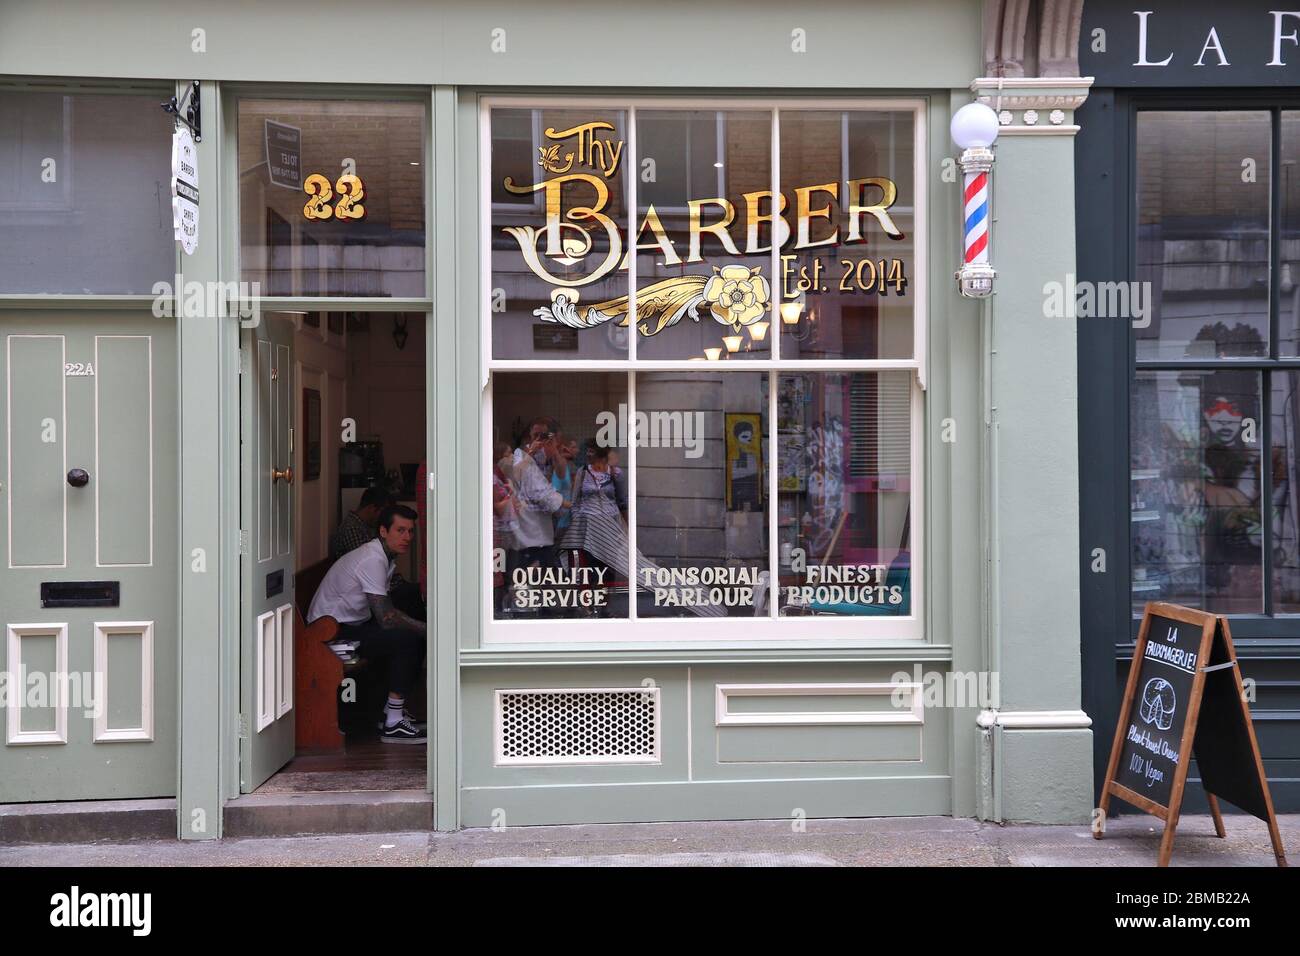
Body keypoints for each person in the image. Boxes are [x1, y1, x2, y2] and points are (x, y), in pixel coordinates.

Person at [308, 505, 426, 743]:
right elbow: (386, 618)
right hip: (329, 639)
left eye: (410, 532)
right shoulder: (372, 559)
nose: (407, 538)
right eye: (400, 530)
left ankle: (389, 713)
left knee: (408, 635)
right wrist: (427, 629)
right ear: (383, 531)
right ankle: (392, 723)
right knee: (408, 640)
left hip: (345, 628)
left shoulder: (382, 556)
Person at [330, 486, 392, 558]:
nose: (383, 517)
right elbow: (365, 559)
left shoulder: (364, 525)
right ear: (372, 508)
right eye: (383, 512)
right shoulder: (352, 528)